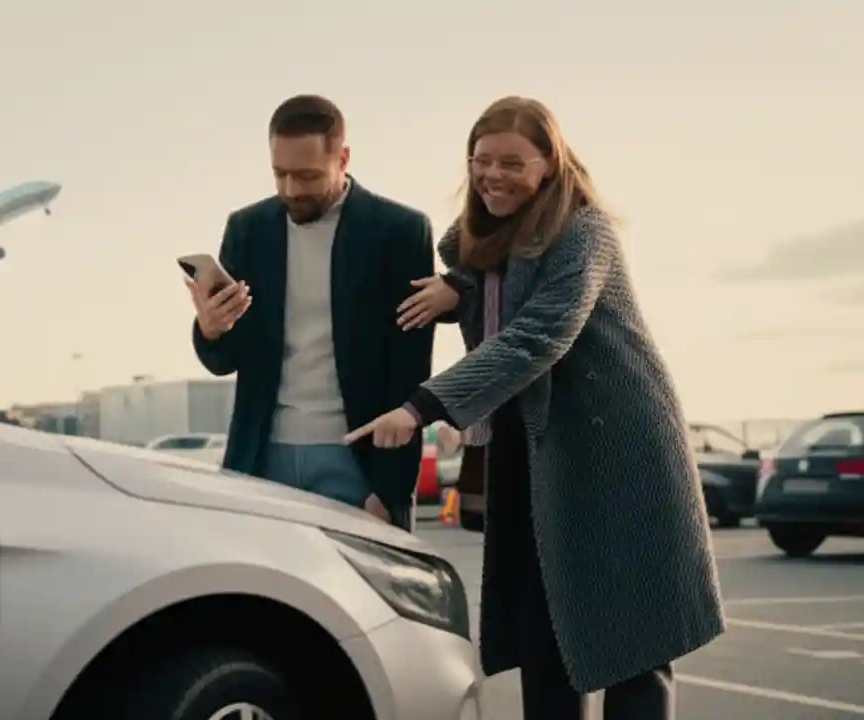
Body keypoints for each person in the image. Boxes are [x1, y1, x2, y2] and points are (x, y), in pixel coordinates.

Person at [345, 96, 724, 718]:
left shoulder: (584, 232)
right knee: (544, 632)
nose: (493, 175)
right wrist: (463, 283)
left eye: (512, 163)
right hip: (532, 446)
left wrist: (421, 406)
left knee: (636, 640)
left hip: (616, 445)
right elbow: (484, 274)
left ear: (549, 163)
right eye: (481, 160)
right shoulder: (484, 244)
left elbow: (539, 334)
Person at [188, 94, 435, 529]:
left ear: (343, 158)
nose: (290, 190)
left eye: (306, 176)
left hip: (358, 461)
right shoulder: (247, 229)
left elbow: (410, 367)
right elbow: (226, 359)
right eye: (279, 174)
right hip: (262, 460)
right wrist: (210, 330)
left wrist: (392, 491)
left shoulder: (399, 232)